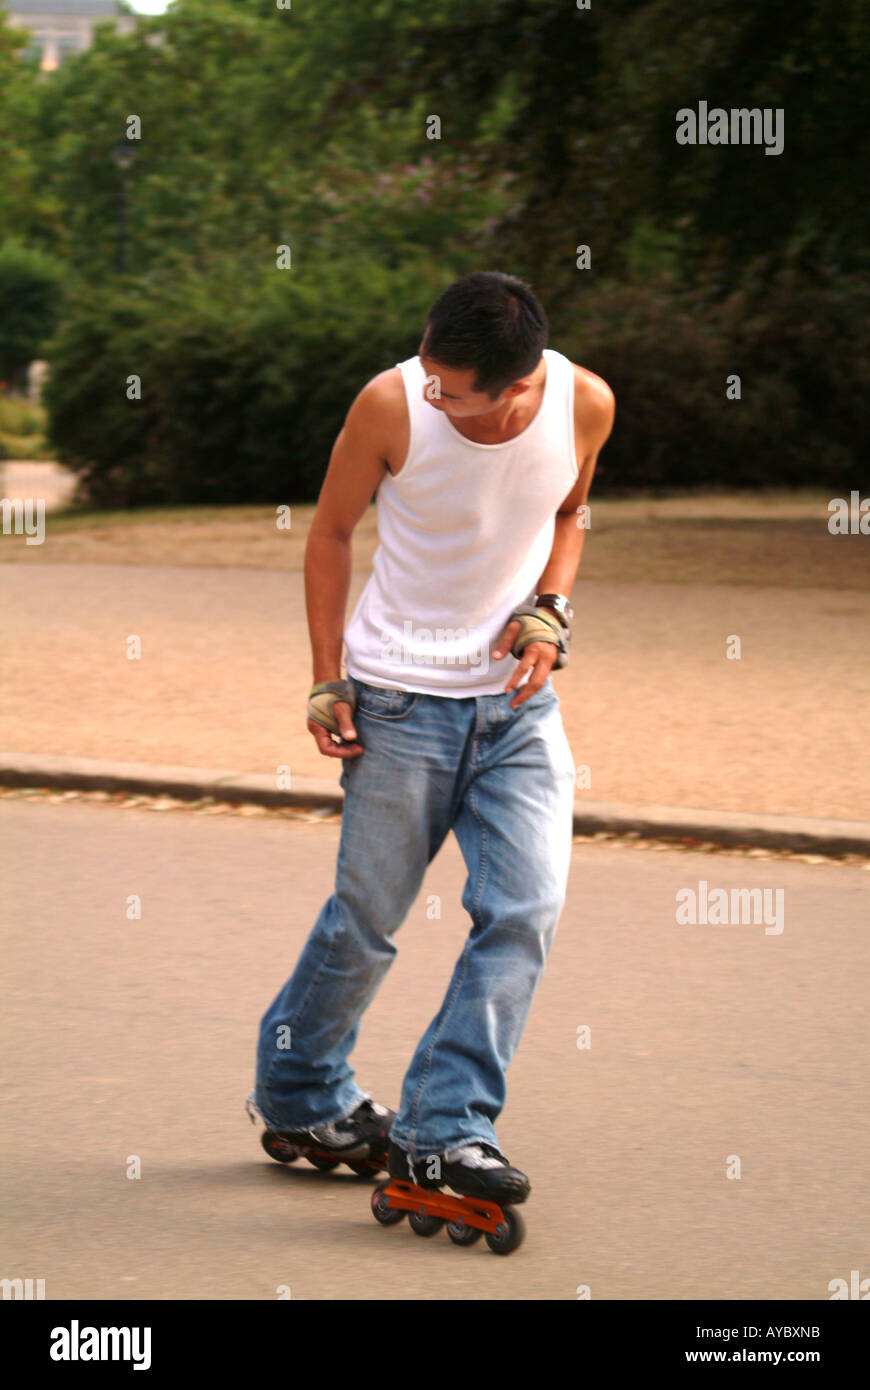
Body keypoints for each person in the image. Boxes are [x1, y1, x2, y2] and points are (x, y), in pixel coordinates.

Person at [249, 270, 614, 1205]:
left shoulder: (582, 403)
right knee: (366, 924)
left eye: (452, 386)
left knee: (524, 912)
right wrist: (328, 675)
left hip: (519, 708)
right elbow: (329, 533)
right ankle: (298, 1087)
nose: (430, 387)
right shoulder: (390, 403)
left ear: (517, 388)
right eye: (427, 367)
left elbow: (569, 516)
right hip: (398, 700)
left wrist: (552, 611)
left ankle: (445, 1126)